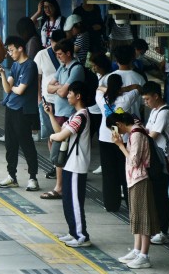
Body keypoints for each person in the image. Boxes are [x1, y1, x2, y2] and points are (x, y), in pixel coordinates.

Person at [107, 111, 158, 270]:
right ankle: (137, 250)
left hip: (140, 178)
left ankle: (144, 255)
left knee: (143, 216)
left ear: (119, 124)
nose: (115, 132)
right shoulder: (134, 133)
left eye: (114, 129)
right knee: (136, 215)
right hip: (134, 179)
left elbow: (134, 161)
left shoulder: (136, 135)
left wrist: (120, 145)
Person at [46, 81, 93, 247]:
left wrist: (52, 137)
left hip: (76, 165)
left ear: (78, 96)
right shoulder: (75, 116)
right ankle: (73, 232)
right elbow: (60, 131)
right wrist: (50, 114)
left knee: (75, 202)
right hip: (70, 164)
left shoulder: (81, 116)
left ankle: (81, 236)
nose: (67, 96)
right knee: (68, 200)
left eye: (70, 93)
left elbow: (59, 136)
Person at [0, 36, 41, 192]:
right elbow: (7, 89)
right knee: (10, 144)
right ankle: (11, 176)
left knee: (26, 143)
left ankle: (33, 177)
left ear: (20, 48)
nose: (10, 53)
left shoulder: (30, 66)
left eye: (11, 50)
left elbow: (20, 90)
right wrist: (2, 73)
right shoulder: (15, 65)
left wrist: (13, 86)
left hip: (23, 110)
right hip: (11, 107)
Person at [42, 38, 84, 199]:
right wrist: (60, 87)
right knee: (57, 146)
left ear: (68, 53)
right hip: (59, 112)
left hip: (68, 113)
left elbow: (62, 92)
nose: (58, 57)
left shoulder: (76, 68)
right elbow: (49, 87)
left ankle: (60, 187)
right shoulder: (63, 66)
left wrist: (59, 88)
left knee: (60, 148)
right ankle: (60, 183)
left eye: (60, 54)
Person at [95, 73, 139, 212]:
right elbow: (138, 88)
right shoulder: (126, 99)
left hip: (105, 138)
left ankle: (111, 205)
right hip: (123, 139)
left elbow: (98, 88)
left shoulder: (101, 98)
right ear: (120, 86)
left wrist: (107, 90)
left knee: (109, 173)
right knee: (125, 172)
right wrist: (124, 90)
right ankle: (131, 204)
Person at [140, 81, 169, 245]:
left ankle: (163, 231)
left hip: (163, 160)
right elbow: (147, 131)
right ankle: (157, 228)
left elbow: (151, 135)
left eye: (147, 99)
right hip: (155, 159)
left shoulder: (164, 113)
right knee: (154, 195)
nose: (146, 102)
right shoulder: (155, 111)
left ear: (156, 96)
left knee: (160, 195)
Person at [35, 30, 66, 142]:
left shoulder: (68, 55)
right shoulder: (41, 55)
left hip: (65, 100)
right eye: (54, 44)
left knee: (63, 131)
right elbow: (37, 78)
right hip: (47, 99)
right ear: (51, 41)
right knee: (50, 134)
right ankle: (53, 153)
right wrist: (39, 99)